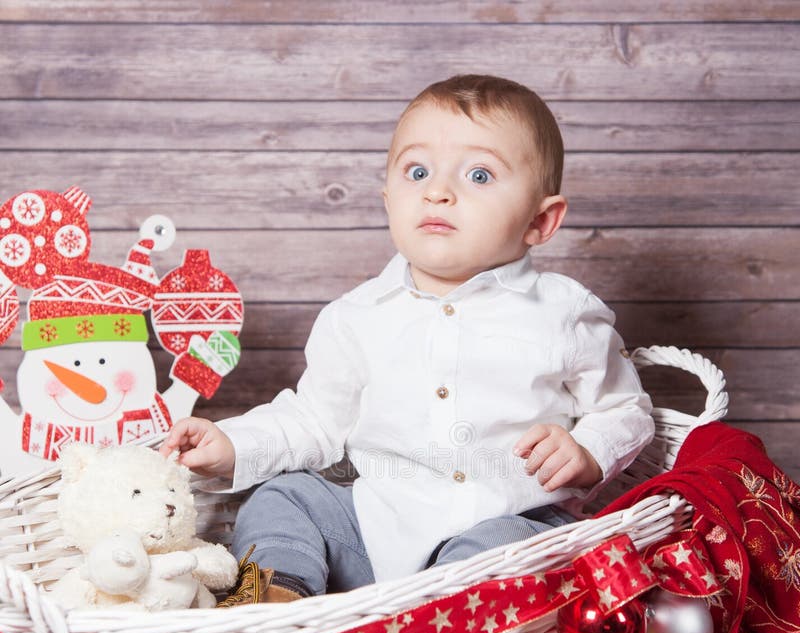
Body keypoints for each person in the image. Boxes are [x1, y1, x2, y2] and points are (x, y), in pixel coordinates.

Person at [159, 73, 655, 603]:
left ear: (540, 220)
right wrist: (235, 444)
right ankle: (278, 609)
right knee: (286, 498)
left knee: (501, 554)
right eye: (417, 171)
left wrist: (587, 451)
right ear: (389, 200)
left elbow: (626, 408)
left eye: (480, 175)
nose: (437, 192)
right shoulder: (357, 316)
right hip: (376, 534)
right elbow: (314, 421)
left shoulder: (563, 313)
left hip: (509, 526)